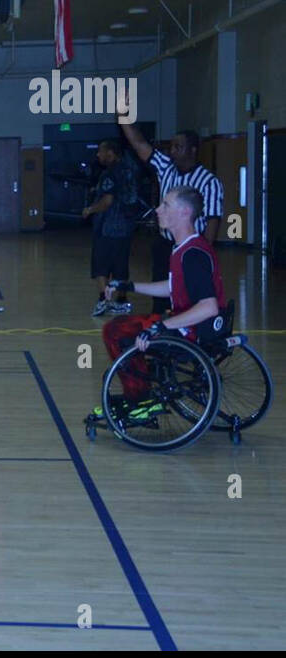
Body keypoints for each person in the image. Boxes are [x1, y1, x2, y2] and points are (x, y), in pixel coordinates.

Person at [92, 186, 225, 418]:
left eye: (166, 205)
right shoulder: (183, 248)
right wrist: (129, 285)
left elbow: (209, 306)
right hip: (182, 325)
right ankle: (139, 395)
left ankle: (142, 401)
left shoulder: (193, 254)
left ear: (184, 212)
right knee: (117, 327)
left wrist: (161, 327)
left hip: (190, 333)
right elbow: (172, 288)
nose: (158, 209)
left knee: (116, 332)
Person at [117, 91, 223, 314]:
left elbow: (213, 222)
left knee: (188, 297)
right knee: (162, 299)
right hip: (165, 244)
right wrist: (123, 115)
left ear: (193, 150)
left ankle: (186, 333)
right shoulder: (166, 167)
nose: (172, 151)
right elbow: (138, 143)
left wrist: (202, 255)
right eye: (171, 146)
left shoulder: (208, 181)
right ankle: (161, 333)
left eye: (178, 147)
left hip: (191, 247)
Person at [82, 139, 140, 316]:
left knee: (100, 265)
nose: (98, 155)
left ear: (111, 153)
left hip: (108, 227)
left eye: (101, 151)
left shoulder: (109, 174)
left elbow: (107, 201)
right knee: (121, 266)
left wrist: (90, 210)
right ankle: (122, 301)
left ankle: (103, 300)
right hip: (126, 227)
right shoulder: (130, 171)